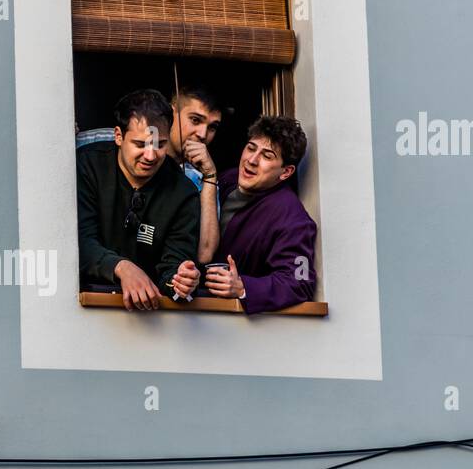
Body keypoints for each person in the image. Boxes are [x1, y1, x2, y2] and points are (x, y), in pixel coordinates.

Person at [77, 89, 200, 310]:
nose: (151, 156)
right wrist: (122, 267)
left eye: (160, 144)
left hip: (151, 316)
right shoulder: (86, 167)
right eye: (141, 144)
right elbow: (77, 242)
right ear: (118, 136)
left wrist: (181, 282)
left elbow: (172, 266)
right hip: (84, 308)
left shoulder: (184, 192)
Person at [78, 86, 224, 263]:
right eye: (195, 120)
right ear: (171, 114)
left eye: (212, 127)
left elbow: (202, 255)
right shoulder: (97, 146)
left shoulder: (195, 179)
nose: (202, 134)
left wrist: (210, 176)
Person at [203, 115, 317, 314]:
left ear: (286, 172)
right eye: (251, 148)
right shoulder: (224, 179)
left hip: (234, 329)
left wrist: (242, 287)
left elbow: (300, 282)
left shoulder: (292, 217)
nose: (252, 160)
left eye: (267, 156)